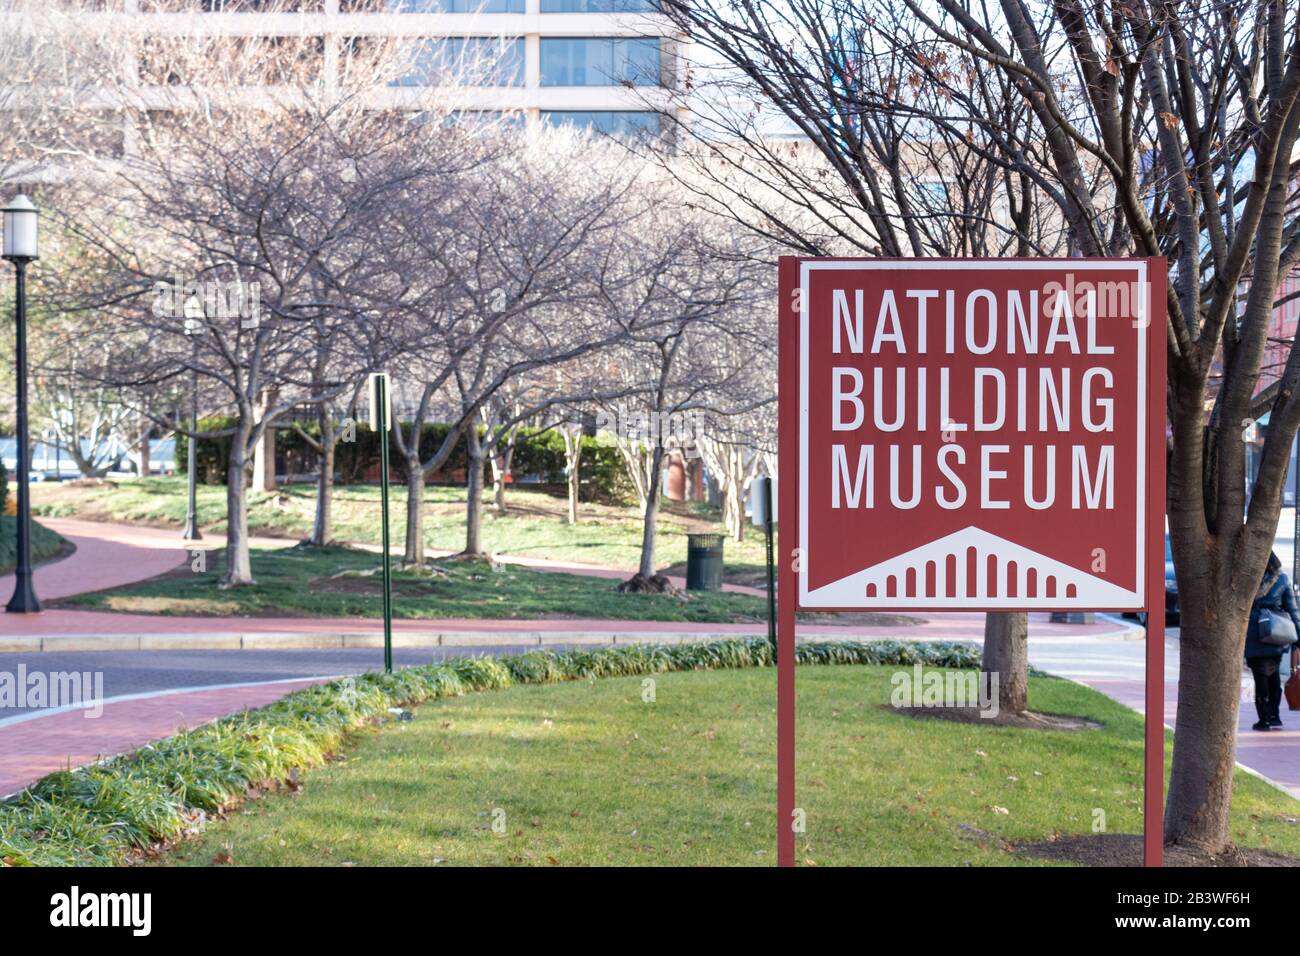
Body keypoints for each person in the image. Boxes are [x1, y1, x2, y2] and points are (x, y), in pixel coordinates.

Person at [1244, 552, 1300, 731]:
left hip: (1253, 633)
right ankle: (1274, 715)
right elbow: (1292, 610)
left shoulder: (1247, 579)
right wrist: (1298, 636)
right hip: (1276, 632)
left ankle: (1264, 719)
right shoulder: (1282, 580)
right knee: (1273, 675)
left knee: (1260, 678)